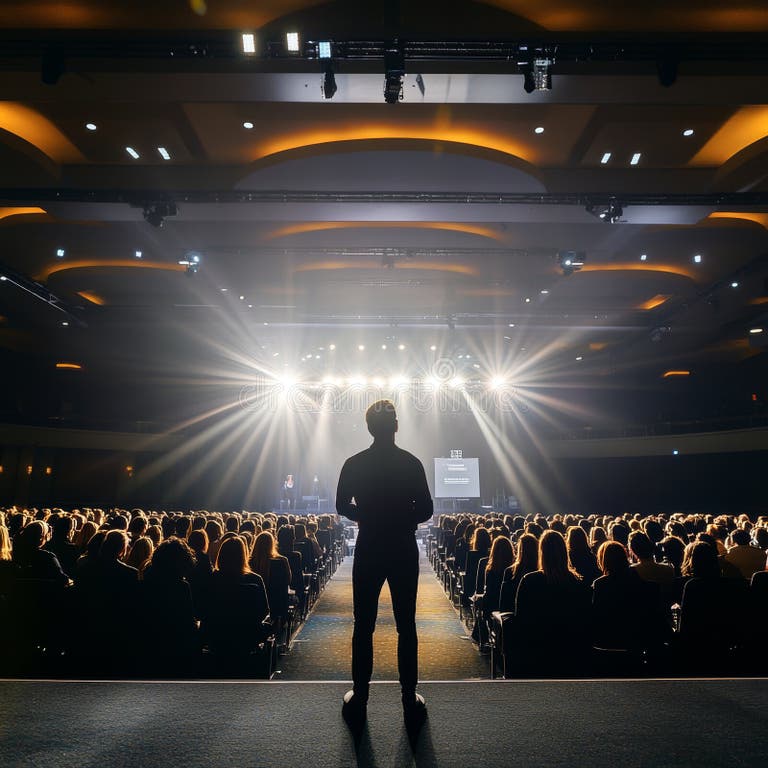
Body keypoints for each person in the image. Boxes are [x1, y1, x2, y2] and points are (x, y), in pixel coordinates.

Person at [336, 399, 433, 724]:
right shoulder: (411, 462)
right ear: (395, 426)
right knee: (407, 624)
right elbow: (426, 510)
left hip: (370, 545)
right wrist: (401, 517)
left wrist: (367, 515)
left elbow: (340, 504)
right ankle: (409, 697)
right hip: (403, 545)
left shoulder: (354, 462)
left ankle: (360, 695)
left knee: (363, 624)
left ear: (368, 427)